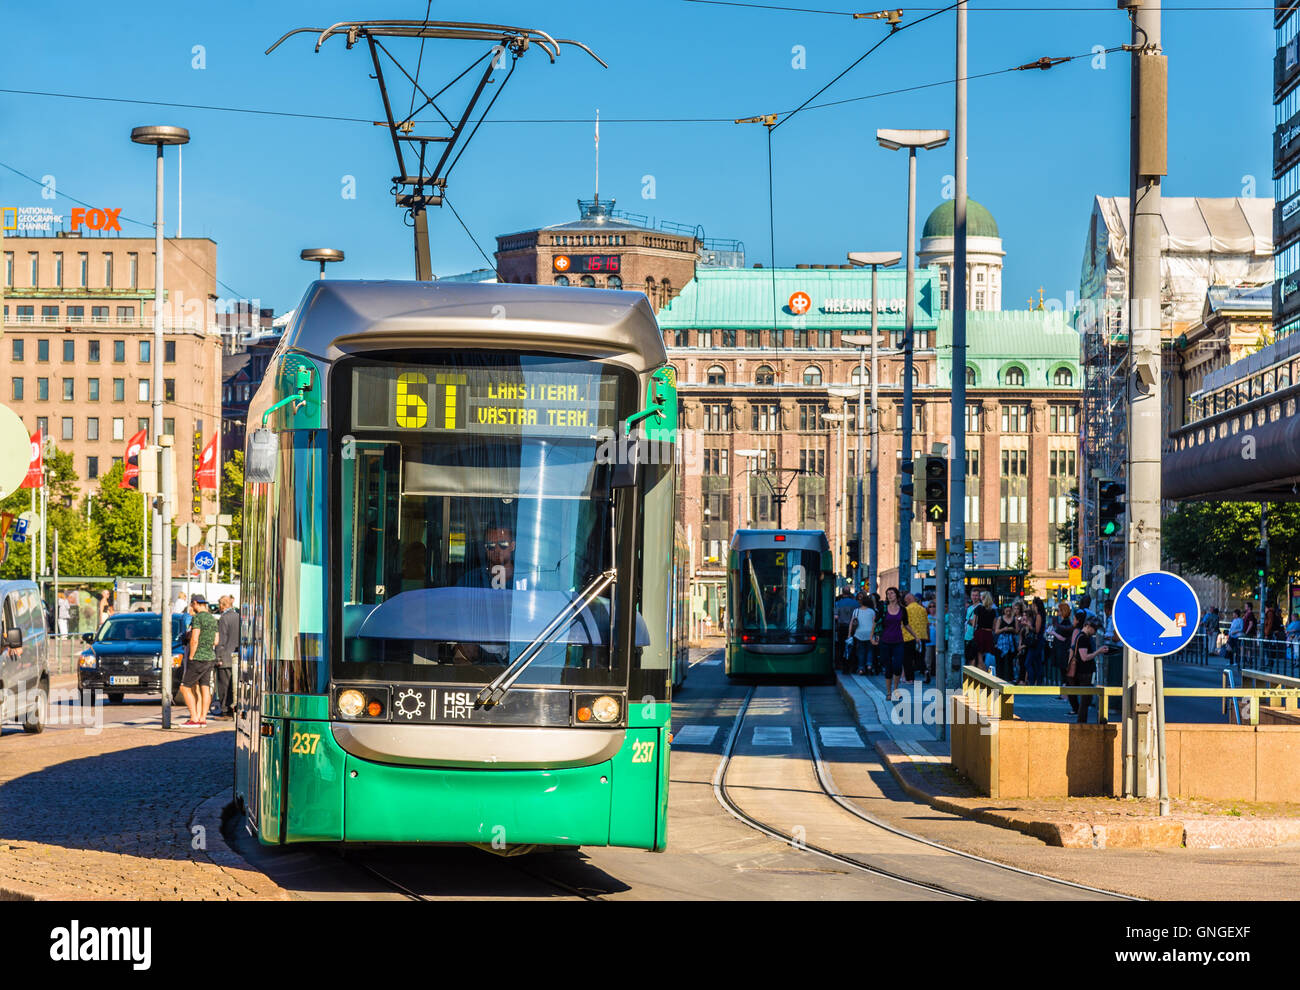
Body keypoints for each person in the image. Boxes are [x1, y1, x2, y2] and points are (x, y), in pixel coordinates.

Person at [179, 594, 219, 727]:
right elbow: (216, 640)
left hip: (198, 658)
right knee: (205, 687)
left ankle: (194, 718)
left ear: (195, 603)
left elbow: (194, 638)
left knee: (184, 687)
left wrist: (191, 656)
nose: (191, 607)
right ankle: (203, 718)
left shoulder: (198, 618)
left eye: (192, 604)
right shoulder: (213, 619)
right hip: (210, 657)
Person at [461, 525, 530, 591]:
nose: (496, 549)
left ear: (512, 546)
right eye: (490, 545)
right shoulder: (470, 580)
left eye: (503, 544)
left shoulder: (526, 580)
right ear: (485, 548)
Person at [212, 595, 239, 719]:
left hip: (225, 657)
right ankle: (233, 709)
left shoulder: (224, 618)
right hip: (236, 656)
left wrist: (218, 658)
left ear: (222, 605)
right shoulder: (238, 617)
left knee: (224, 686)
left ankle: (225, 710)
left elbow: (221, 640)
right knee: (233, 686)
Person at [1071, 615, 1101, 724]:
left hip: (1084, 672)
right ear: (1088, 626)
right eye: (1094, 629)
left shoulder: (1081, 636)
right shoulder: (1083, 638)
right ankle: (1081, 723)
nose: (1095, 632)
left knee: (1085, 700)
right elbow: (1084, 657)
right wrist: (1098, 652)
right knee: (1085, 700)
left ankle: (1082, 722)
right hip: (1085, 673)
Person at [878, 587, 908, 697]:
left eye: (892, 593)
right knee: (888, 667)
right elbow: (875, 622)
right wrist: (872, 636)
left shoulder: (903, 610)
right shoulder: (883, 608)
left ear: (896, 595)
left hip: (898, 641)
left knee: (897, 666)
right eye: (888, 593)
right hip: (885, 641)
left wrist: (916, 636)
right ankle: (888, 692)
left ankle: (895, 689)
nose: (890, 595)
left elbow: (906, 624)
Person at [1045, 599, 1075, 687]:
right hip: (1060, 649)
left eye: (1058, 610)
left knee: (1064, 671)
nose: (1057, 612)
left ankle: (1065, 692)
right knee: (1062, 671)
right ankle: (1064, 692)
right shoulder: (1063, 622)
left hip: (1063, 650)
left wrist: (1053, 633)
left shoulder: (1066, 623)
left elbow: (1064, 638)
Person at [847, 592, 876, 677]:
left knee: (861, 652)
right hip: (870, 633)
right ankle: (869, 666)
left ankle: (860, 669)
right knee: (870, 651)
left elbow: (851, 624)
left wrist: (849, 634)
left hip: (859, 634)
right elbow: (874, 623)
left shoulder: (856, 611)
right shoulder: (872, 611)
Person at [970, 592, 998, 673]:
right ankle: (987, 673)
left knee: (979, 658)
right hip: (989, 634)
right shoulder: (993, 611)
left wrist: (970, 622)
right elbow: (994, 627)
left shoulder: (978, 608)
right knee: (988, 657)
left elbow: (974, 624)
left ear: (983, 598)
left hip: (980, 634)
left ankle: (984, 675)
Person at [834, 586, 859, 674]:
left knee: (842, 647)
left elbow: (836, 616)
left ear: (842, 593)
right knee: (853, 646)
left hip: (842, 627)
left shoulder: (838, 603)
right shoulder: (856, 603)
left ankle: (845, 667)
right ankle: (853, 666)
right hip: (854, 628)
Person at [1023, 597, 1047, 686]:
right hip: (1038, 642)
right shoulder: (1040, 615)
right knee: (1037, 662)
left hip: (1036, 642)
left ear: (1035, 605)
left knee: (1028, 662)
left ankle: (1032, 681)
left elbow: (1036, 630)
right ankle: (1038, 681)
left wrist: (1028, 625)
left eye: (1032, 604)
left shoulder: (1039, 615)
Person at [994, 604, 1017, 682]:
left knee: (1010, 660)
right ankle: (1001, 677)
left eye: (1009, 611)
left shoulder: (1014, 619)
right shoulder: (1000, 619)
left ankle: (1010, 677)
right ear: (1004, 611)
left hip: (1011, 642)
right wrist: (1004, 629)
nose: (1008, 613)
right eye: (1006, 611)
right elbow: (996, 631)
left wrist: (1012, 630)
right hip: (1002, 641)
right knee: (1001, 660)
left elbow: (1017, 631)